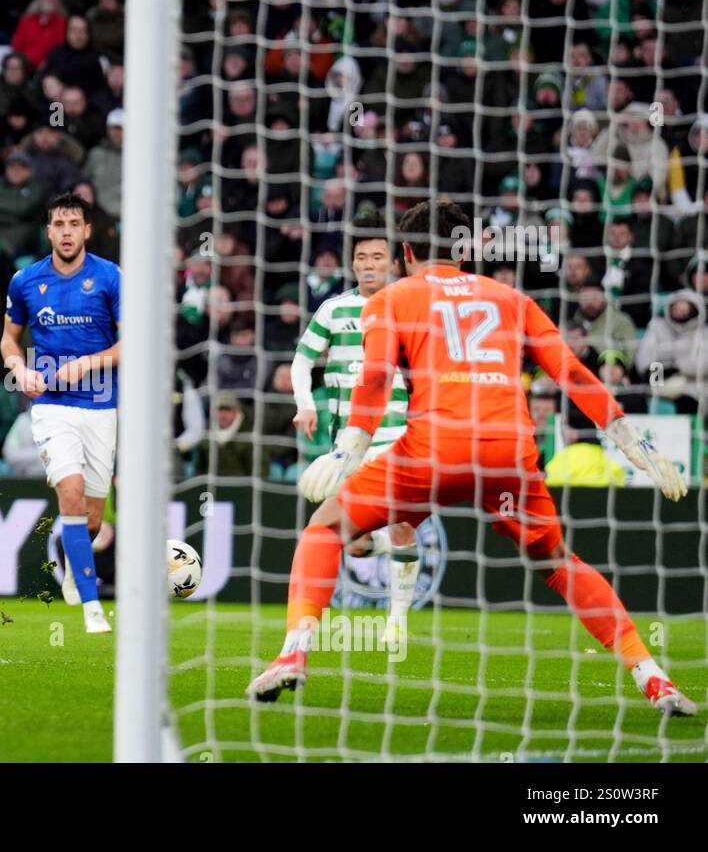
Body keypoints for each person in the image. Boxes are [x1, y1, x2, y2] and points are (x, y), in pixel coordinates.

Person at [246, 201, 694, 717]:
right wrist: (628, 435)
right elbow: (569, 369)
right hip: (509, 456)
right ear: (462, 253)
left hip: (433, 451)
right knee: (558, 562)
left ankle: (292, 654)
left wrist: (350, 446)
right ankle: (652, 677)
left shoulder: (391, 299)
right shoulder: (512, 298)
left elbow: (373, 379)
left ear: (406, 253)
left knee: (323, 529)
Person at [290, 215, 419, 639]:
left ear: (394, 264)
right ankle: (397, 548)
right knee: (357, 540)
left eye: (377, 257)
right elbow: (302, 361)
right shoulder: (334, 308)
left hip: (395, 433)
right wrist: (306, 405)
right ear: (352, 263)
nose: (368, 264)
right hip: (347, 441)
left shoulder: (408, 306)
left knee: (400, 521)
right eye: (361, 257)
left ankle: (397, 621)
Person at [0, 192, 120, 634]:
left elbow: (129, 344)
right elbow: (8, 340)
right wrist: (18, 367)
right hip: (51, 406)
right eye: (59, 224)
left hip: (101, 406)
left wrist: (89, 363)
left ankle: (75, 562)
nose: (66, 232)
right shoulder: (26, 281)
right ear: (48, 230)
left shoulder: (110, 278)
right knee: (68, 492)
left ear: (87, 230)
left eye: (74, 224)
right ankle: (92, 609)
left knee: (90, 517)